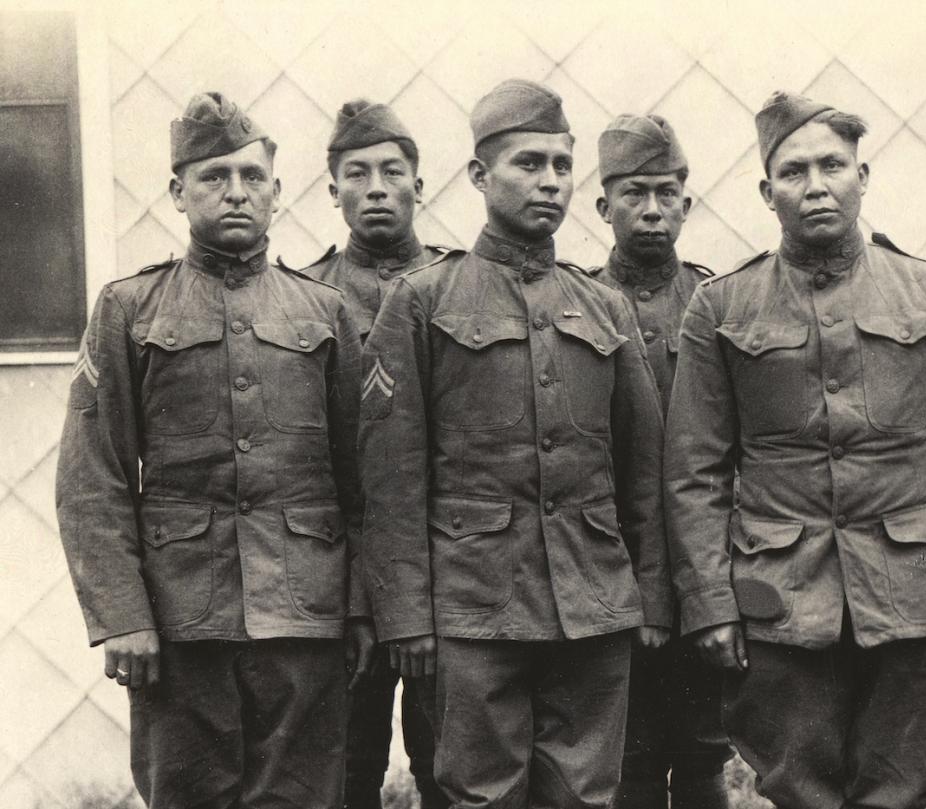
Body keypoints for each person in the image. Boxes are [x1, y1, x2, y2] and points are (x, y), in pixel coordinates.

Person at [664, 90, 926, 809]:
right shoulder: (722, 307)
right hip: (779, 598)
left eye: (832, 165)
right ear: (767, 190)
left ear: (863, 174)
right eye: (793, 172)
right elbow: (693, 474)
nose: (815, 185)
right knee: (799, 787)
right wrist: (711, 606)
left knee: (900, 786)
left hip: (912, 593)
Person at [359, 78, 672, 809]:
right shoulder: (422, 302)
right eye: (529, 164)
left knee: (583, 794)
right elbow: (392, 477)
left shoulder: (604, 305)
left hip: (592, 602)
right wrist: (407, 616)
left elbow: (645, 468)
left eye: (562, 166)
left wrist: (651, 595)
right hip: (475, 609)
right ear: (478, 175)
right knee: (482, 794)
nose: (551, 182)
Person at [55, 91, 365, 808]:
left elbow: (363, 480)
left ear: (277, 191)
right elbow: (90, 477)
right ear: (177, 191)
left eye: (252, 178)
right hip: (179, 622)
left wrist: (359, 609)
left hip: (303, 619)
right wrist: (123, 616)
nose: (235, 193)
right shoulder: (130, 310)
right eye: (213, 176)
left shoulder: (325, 312)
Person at [300, 98, 446, 809]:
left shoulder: (462, 287)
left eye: (394, 171)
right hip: (340, 573)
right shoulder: (305, 297)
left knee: (451, 759)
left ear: (422, 184)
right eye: (357, 173)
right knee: (344, 765)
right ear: (333, 192)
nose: (378, 187)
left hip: (449, 568)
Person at [587, 114, 732, 809]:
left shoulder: (718, 300)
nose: (651, 209)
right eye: (633, 193)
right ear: (602, 205)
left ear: (686, 202)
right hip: (609, 566)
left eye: (666, 193)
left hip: (704, 563)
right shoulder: (580, 304)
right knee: (630, 753)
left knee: (705, 749)